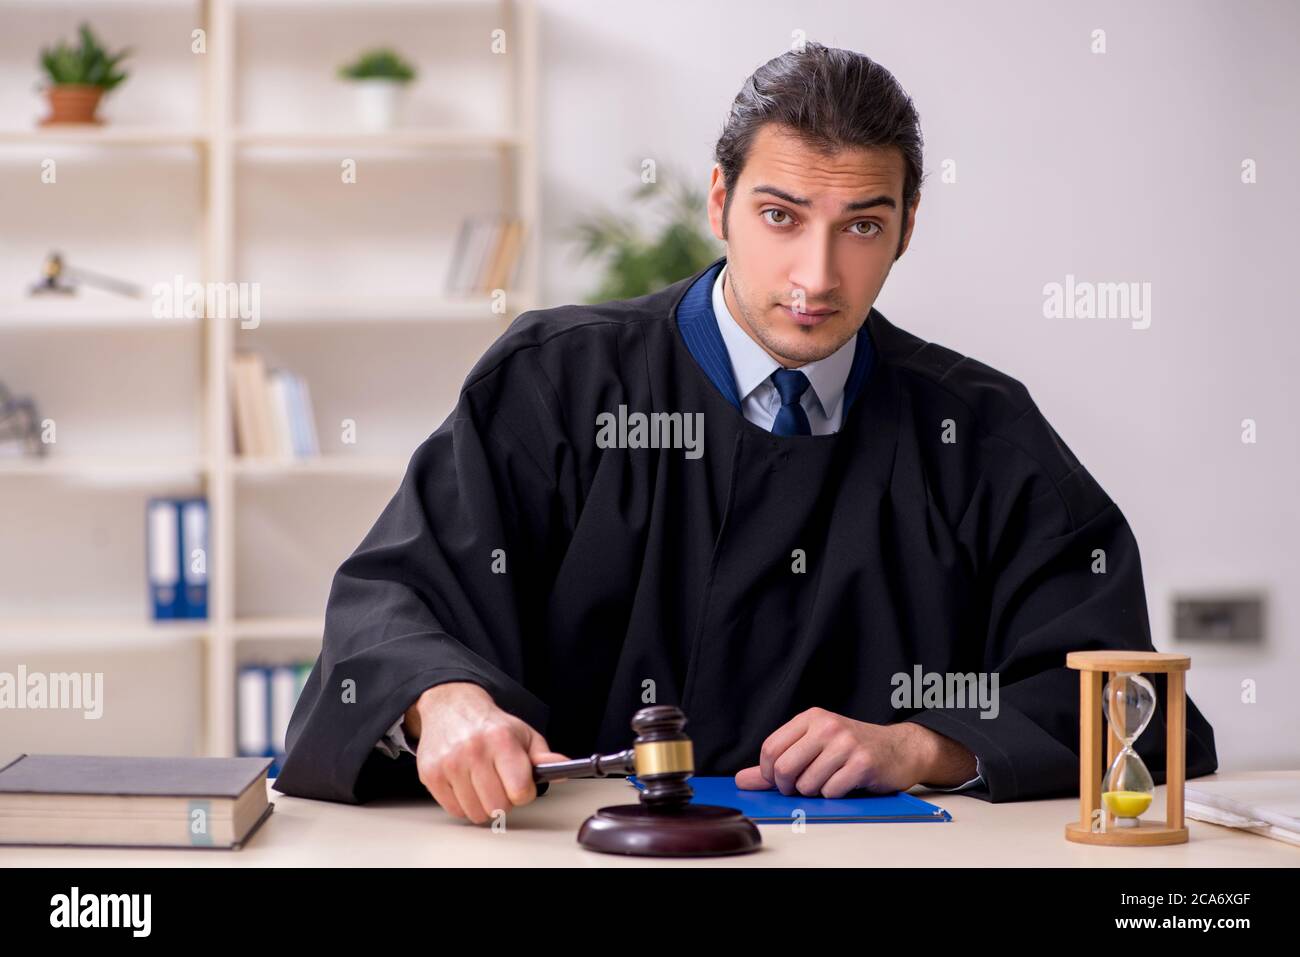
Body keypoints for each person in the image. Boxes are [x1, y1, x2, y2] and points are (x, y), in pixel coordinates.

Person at [273, 43, 1217, 822]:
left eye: (861, 226)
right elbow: (389, 606)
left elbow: (1126, 702)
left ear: (907, 229)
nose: (815, 275)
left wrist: (926, 743)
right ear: (718, 201)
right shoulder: (556, 382)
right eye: (780, 216)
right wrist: (443, 701)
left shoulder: (981, 431)